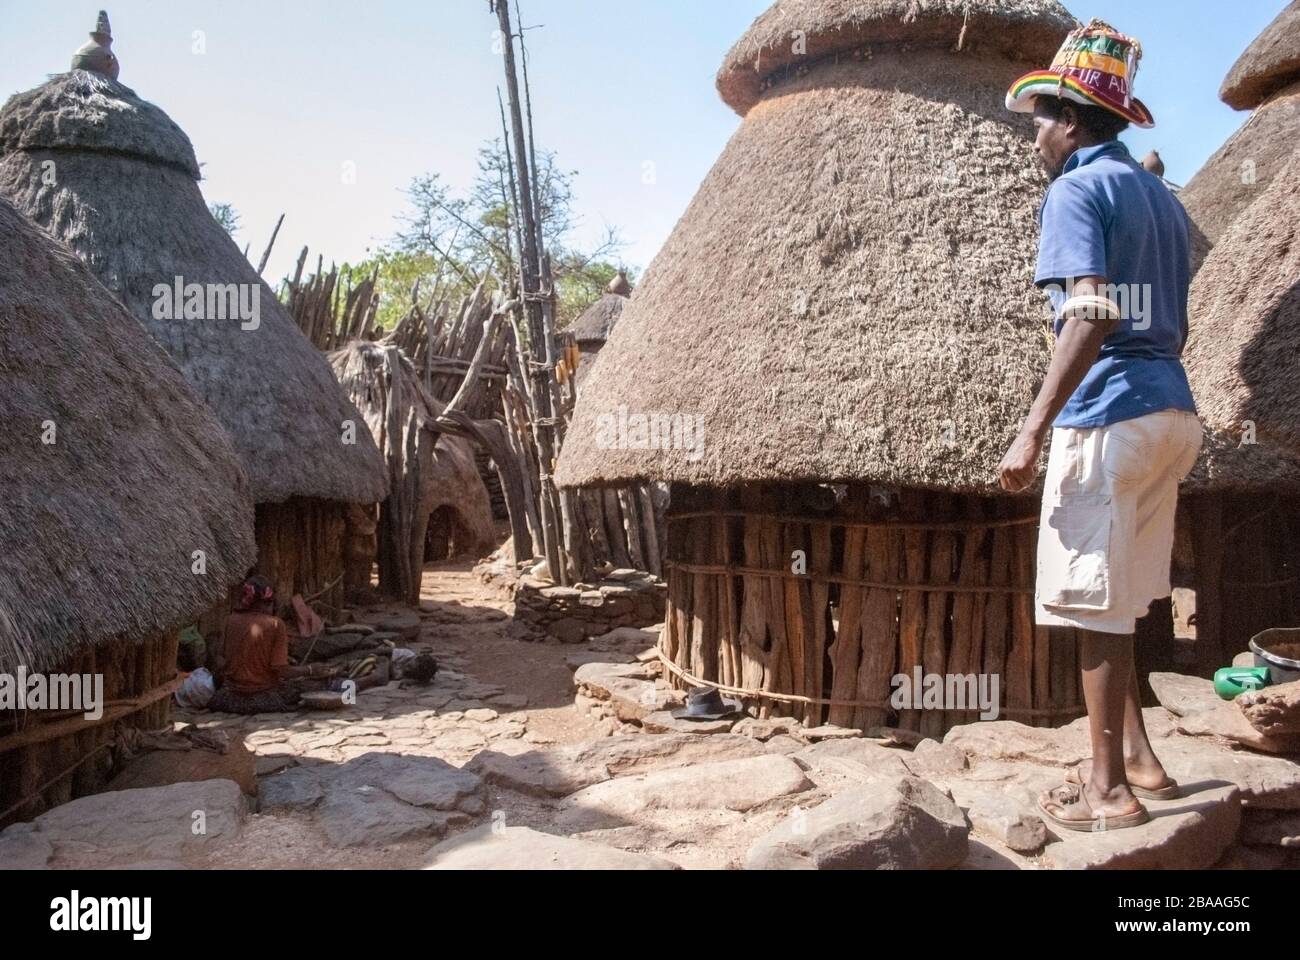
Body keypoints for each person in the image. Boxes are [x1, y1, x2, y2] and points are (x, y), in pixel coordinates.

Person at [999, 19, 1202, 831]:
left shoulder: (1075, 189)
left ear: (1074, 120)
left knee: (1090, 605)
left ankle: (1106, 791)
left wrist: (1033, 426)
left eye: (1042, 119)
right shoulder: (1160, 196)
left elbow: (1089, 310)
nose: (1037, 136)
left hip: (1110, 412)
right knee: (1122, 599)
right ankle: (1143, 762)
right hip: (1171, 410)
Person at [209, 576, 333, 714]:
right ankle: (354, 684)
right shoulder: (275, 624)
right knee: (320, 685)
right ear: (267, 603)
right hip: (263, 700)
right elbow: (282, 671)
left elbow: (220, 661)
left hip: (228, 700)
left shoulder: (229, 621)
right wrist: (310, 669)